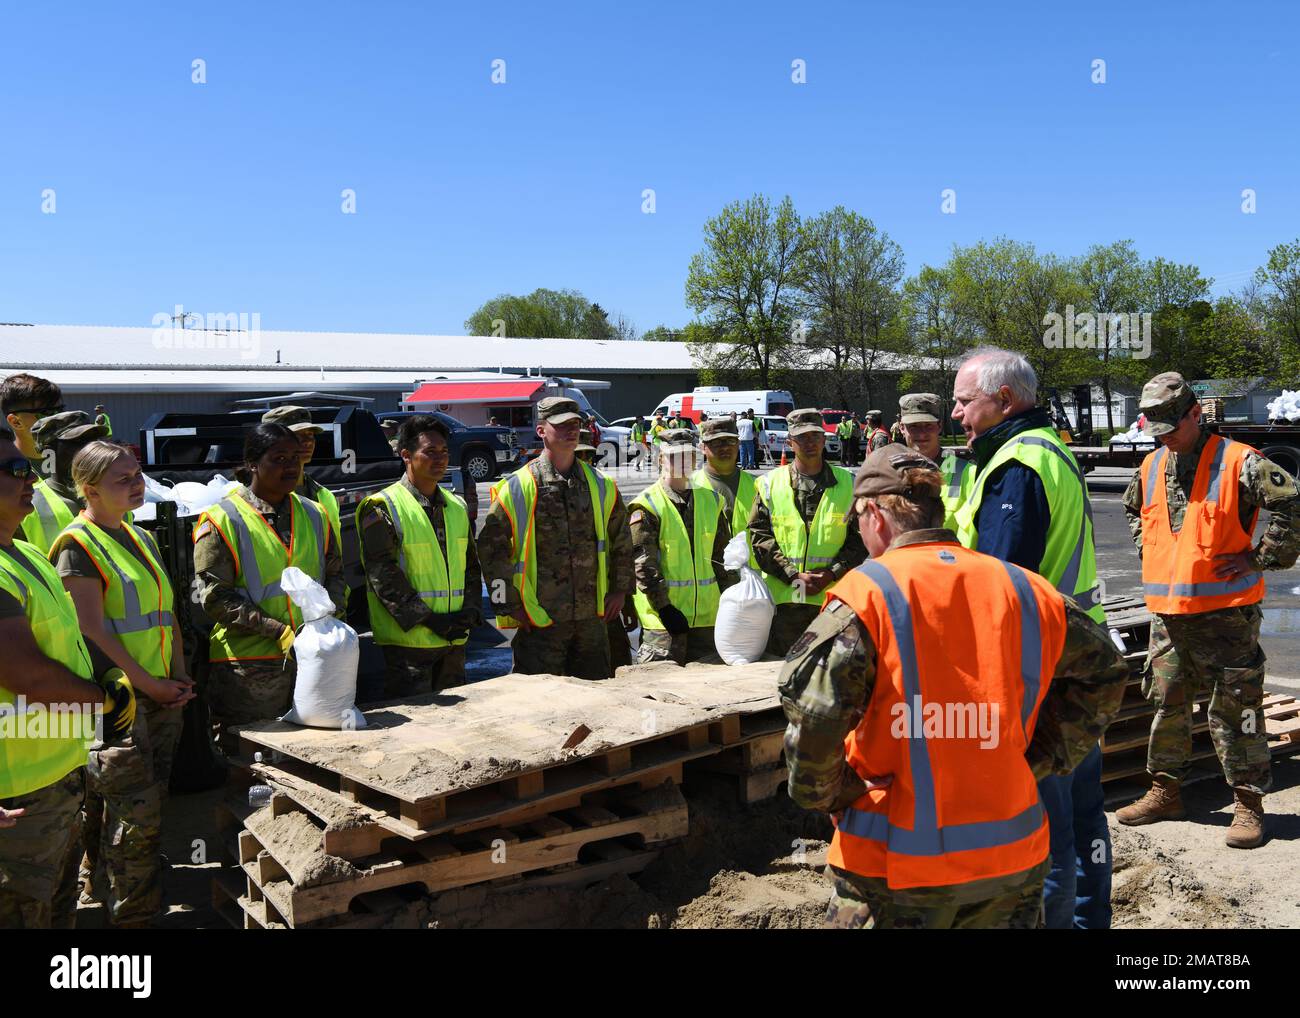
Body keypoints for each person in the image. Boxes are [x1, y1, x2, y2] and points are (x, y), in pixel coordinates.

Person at [779, 444, 1128, 929]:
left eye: (857, 519)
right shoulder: (1029, 590)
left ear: (875, 514)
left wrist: (835, 795)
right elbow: (1106, 672)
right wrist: (1044, 756)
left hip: (891, 871)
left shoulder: (865, 597)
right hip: (1012, 861)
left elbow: (814, 722)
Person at [949, 347, 1108, 930]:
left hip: (1035, 673)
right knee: (1087, 814)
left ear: (1005, 399)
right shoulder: (1048, 450)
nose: (957, 414)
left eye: (965, 401)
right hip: (1074, 661)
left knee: (1048, 826)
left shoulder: (1016, 465)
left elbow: (996, 584)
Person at [1117, 372, 1300, 848]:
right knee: (1167, 704)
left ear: (1196, 415)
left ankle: (1248, 802)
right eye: (1155, 431)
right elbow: (1134, 511)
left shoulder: (1240, 462)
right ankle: (1165, 791)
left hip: (1227, 616)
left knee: (1236, 709)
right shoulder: (1152, 465)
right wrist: (1147, 547)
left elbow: (1293, 503)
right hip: (1167, 614)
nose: (1164, 439)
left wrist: (1265, 555)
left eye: (1171, 428)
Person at [50, 440, 195, 928]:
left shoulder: (137, 535)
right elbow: (93, 630)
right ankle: (135, 916)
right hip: (121, 704)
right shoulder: (78, 546)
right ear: (89, 490)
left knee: (130, 809)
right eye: (124, 479)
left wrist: (176, 673)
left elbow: (164, 612)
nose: (138, 485)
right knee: (137, 820)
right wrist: (150, 685)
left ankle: (115, 888)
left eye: (137, 474)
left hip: (160, 695)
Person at [0, 424, 137, 929]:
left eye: (28, 467)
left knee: (58, 914)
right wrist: (101, 701)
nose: (29, 477)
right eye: (13, 469)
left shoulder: (28, 554)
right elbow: (26, 676)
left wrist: (108, 679)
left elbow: (73, 640)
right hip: (15, 802)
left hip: (55, 780)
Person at [193, 423, 346, 752]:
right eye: (278, 458)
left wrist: (329, 619)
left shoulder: (315, 514)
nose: (291, 466)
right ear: (252, 464)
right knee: (250, 762)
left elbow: (334, 573)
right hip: (249, 668)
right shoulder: (223, 519)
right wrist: (278, 630)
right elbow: (216, 598)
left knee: (311, 754)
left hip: (313, 660)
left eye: (295, 458)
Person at [479, 398, 634, 680]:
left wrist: (621, 590)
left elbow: (621, 540)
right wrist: (508, 606)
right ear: (541, 431)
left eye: (575, 424)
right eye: (561, 425)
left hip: (591, 622)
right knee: (542, 710)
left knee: (596, 704)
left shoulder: (600, 485)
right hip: (539, 622)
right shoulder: (517, 487)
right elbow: (492, 553)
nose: (571, 431)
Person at [357, 415, 482, 699]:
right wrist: (431, 621)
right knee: (415, 732)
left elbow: (471, 566)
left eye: (444, 452)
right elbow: (383, 577)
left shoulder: (456, 506)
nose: (439, 459)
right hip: (409, 648)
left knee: (458, 729)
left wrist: (471, 611)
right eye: (429, 452)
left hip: (453, 642)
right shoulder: (382, 506)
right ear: (406, 456)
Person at [748, 409, 865, 657]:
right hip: (784, 606)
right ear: (790, 442)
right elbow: (760, 538)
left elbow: (861, 540)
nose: (809, 443)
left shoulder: (850, 484)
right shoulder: (770, 484)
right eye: (802, 438)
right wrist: (792, 575)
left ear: (825, 439)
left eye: (815, 436)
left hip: (834, 602)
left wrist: (830, 573)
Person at [630, 430, 733, 665]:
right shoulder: (648, 505)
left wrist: (731, 602)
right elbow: (643, 564)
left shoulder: (713, 500)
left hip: (708, 622)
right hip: (664, 625)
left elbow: (722, 559)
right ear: (660, 459)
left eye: (688, 456)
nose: (682, 462)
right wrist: (665, 608)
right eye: (674, 456)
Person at [576, 428, 635, 671]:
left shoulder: (605, 488)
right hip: (557, 610)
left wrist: (626, 596)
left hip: (605, 607)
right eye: (579, 455)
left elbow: (622, 545)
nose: (584, 462)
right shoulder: (539, 489)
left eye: (588, 456)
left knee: (617, 669)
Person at [22, 410, 109, 555]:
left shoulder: (115, 494)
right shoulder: (28, 502)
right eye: (78, 442)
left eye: (94, 441)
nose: (91, 449)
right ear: (49, 451)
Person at [261, 406, 341, 552]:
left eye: (310, 435)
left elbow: (334, 555)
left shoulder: (324, 496)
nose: (308, 442)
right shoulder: (250, 498)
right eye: (297, 436)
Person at [899, 392, 973, 531]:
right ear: (902, 428)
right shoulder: (889, 472)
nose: (921, 434)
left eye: (928, 425)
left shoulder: (967, 473)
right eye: (914, 426)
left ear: (939, 426)